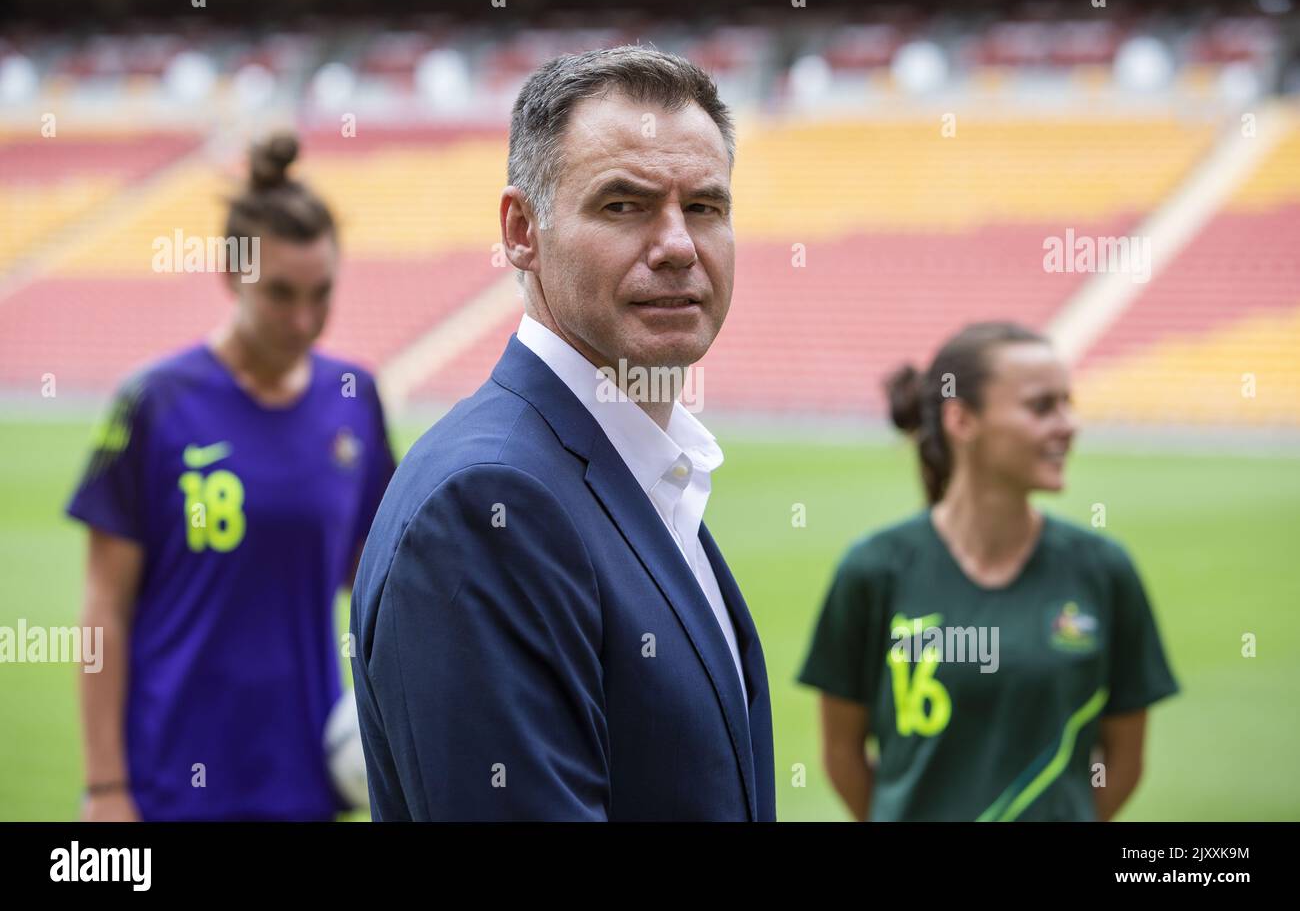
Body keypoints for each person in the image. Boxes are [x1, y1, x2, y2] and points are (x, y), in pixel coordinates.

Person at [351, 45, 775, 820]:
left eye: (705, 208)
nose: (679, 244)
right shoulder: (488, 504)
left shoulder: (640, 472)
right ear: (522, 230)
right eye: (624, 205)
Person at [67, 132, 397, 821]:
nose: (303, 320)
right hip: (168, 783)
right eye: (280, 293)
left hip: (308, 778)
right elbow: (104, 608)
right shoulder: (155, 404)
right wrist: (106, 789)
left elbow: (378, 590)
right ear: (231, 270)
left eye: (321, 294)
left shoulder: (354, 397)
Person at [797, 321, 1179, 821]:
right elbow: (842, 754)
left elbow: (1124, 762)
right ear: (961, 420)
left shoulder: (1104, 571)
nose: (1068, 425)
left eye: (1068, 403)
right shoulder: (872, 571)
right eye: (1042, 407)